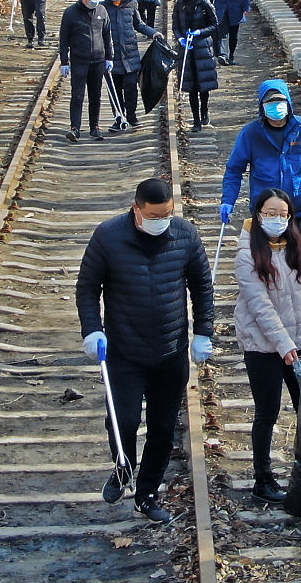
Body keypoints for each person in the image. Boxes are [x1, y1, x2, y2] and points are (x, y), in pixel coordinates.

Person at [77, 178, 215, 524]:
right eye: (153, 215)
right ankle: (123, 469)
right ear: (136, 209)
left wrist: (203, 332)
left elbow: (202, 286)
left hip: (170, 351)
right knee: (122, 421)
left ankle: (147, 494)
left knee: (163, 428)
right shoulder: (108, 237)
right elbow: (87, 287)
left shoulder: (185, 235)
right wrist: (92, 329)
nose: (160, 221)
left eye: (166, 214)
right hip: (125, 351)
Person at [234, 188, 301, 504]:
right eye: (270, 213)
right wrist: (283, 345)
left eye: (283, 214)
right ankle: (262, 479)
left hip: (300, 343)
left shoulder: (297, 248)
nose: (277, 219)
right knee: (267, 412)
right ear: (258, 214)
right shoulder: (246, 255)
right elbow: (259, 306)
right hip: (262, 347)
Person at [220, 80, 301, 240]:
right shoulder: (251, 133)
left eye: (280, 101)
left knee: (298, 261)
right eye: (270, 102)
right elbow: (234, 170)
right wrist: (228, 200)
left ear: (288, 103)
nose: (275, 106)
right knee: (264, 262)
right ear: (262, 106)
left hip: (296, 209)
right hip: (264, 211)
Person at [58, 0, 115, 142]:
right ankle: (75, 128)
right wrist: (64, 61)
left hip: (98, 60)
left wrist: (109, 58)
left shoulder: (102, 11)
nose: (94, 3)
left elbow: (106, 36)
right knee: (77, 95)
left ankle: (94, 127)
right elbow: (64, 39)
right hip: (79, 60)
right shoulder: (71, 13)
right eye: (91, 0)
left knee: (95, 95)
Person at [103, 0, 160, 130]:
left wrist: (153, 33)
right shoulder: (101, 6)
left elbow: (139, 24)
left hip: (130, 53)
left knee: (131, 87)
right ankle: (119, 117)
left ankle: (132, 116)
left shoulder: (131, 3)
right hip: (111, 55)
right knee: (114, 90)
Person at [171, 0, 220, 133]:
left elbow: (214, 25)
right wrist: (181, 39)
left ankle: (204, 112)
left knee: (203, 87)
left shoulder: (204, 3)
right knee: (191, 87)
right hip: (187, 50)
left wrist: (200, 33)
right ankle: (196, 120)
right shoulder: (180, 4)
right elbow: (176, 26)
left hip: (203, 49)